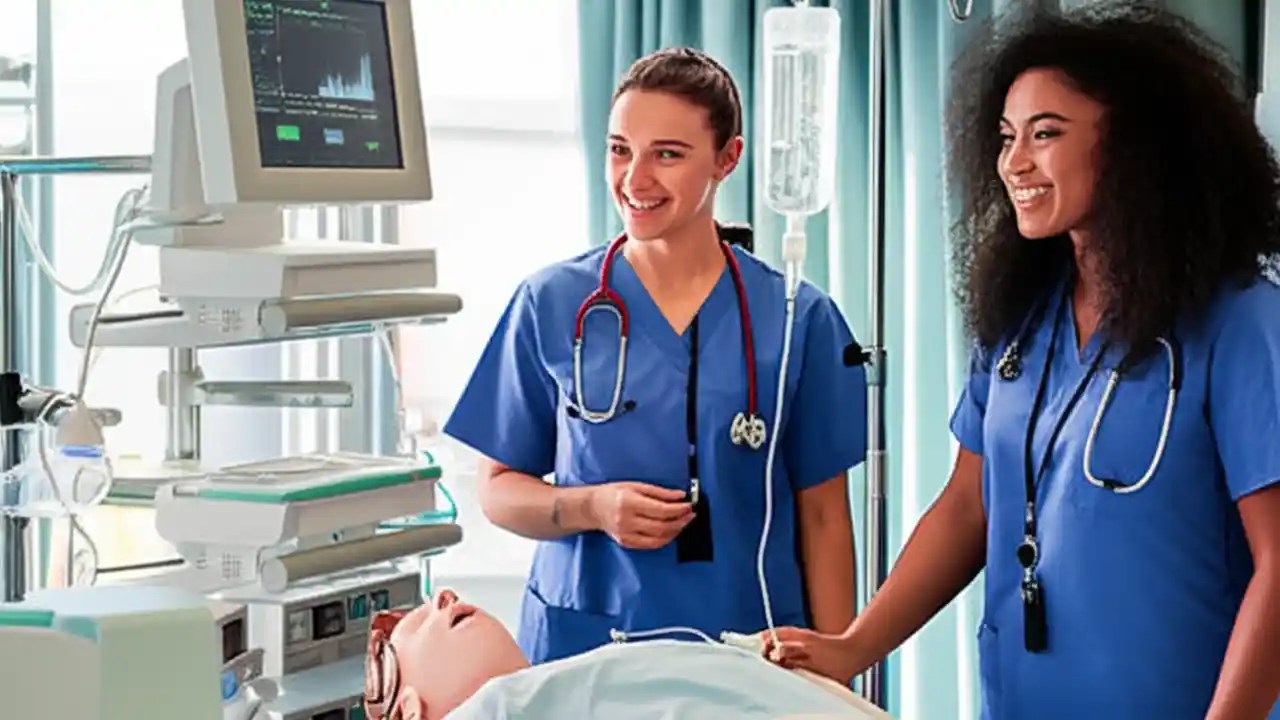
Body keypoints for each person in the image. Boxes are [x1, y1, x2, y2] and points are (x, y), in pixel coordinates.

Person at [762, 3, 1280, 719]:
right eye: (1007, 137)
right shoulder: (1018, 325)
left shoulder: (1240, 322)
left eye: (1046, 134)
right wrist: (855, 645)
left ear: (1135, 146)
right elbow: (968, 505)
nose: (1014, 162)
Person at [443, 46, 867, 665]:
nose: (635, 179)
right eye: (620, 150)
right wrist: (590, 505)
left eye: (667, 153)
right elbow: (498, 491)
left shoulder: (799, 318)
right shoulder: (553, 303)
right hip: (582, 651)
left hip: (750, 653)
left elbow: (826, 520)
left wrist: (838, 674)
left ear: (728, 159)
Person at [361, 589, 892, 720]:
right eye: (422, 621)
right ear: (409, 711)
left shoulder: (579, 688)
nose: (444, 597)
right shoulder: (497, 708)